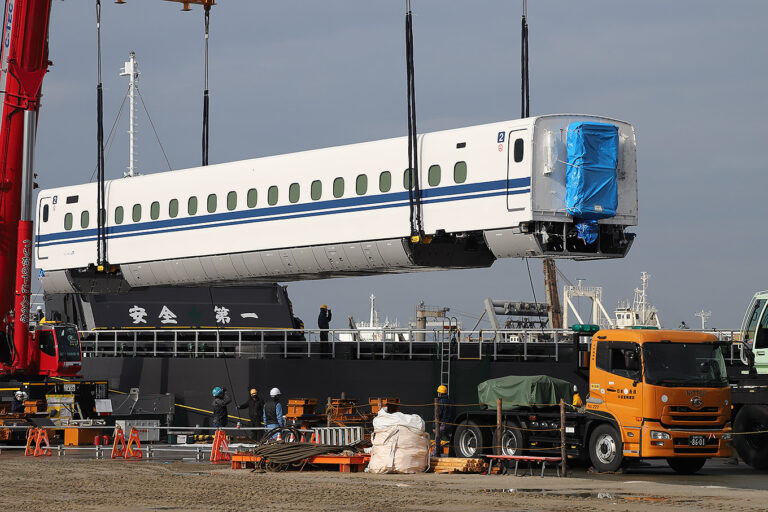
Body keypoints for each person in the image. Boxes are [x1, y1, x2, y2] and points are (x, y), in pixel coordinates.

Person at [434, 385, 455, 456]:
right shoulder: (451, 401)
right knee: (452, 440)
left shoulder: (440, 402)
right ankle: (453, 454)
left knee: (437, 439)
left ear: (440, 393)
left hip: (443, 424)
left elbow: (438, 415)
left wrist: (434, 427)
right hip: (451, 424)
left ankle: (435, 455)